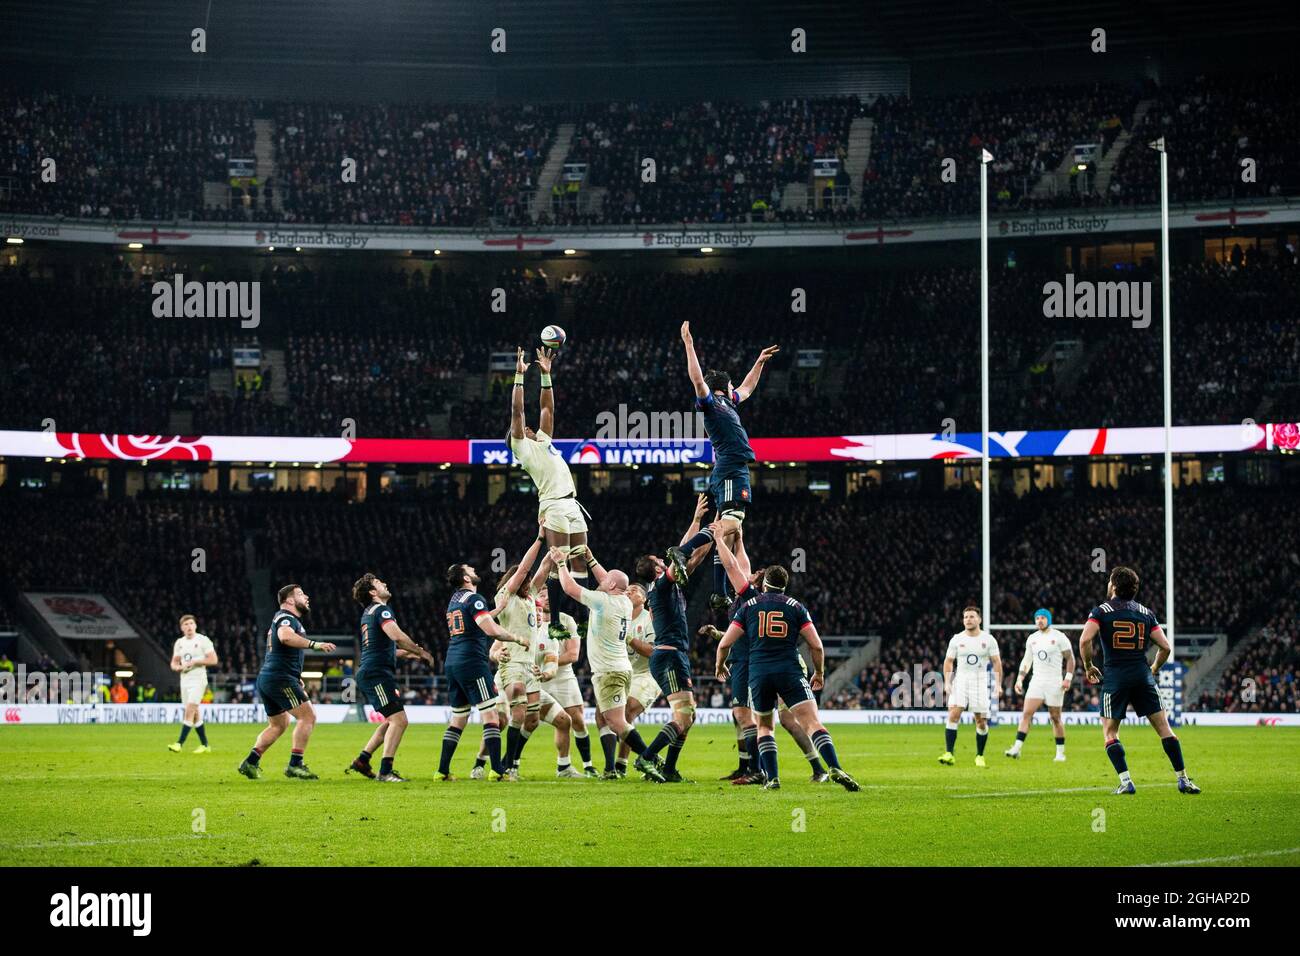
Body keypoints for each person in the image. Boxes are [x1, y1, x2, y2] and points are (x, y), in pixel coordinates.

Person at [715, 566, 858, 792]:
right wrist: (819, 673)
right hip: (789, 671)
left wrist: (720, 663)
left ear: (763, 585)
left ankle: (772, 778)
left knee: (764, 727)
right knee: (811, 722)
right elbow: (816, 645)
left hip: (759, 674)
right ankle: (834, 766)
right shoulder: (795, 607)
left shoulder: (748, 607)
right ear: (784, 586)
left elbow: (725, 643)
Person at [669, 322, 778, 607]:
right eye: (730, 386)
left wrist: (759, 363)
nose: (734, 389)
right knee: (730, 524)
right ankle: (683, 551)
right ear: (721, 388)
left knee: (729, 530)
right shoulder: (709, 403)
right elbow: (696, 379)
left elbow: (748, 388)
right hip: (730, 468)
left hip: (732, 469)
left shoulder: (728, 403)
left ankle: (719, 591)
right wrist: (688, 344)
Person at [1079, 566, 1200, 795]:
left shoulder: (1101, 611)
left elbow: (1085, 641)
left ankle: (1126, 782)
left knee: (1110, 733)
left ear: (1113, 585)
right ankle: (1183, 779)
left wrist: (1088, 666)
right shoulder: (1146, 613)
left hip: (1115, 677)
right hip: (1142, 676)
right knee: (1165, 728)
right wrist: (1153, 667)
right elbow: (1165, 647)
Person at [550, 546, 665, 782]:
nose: (599, 582)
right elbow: (610, 580)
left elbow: (569, 588)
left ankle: (649, 757)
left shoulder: (602, 601)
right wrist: (591, 559)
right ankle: (616, 766)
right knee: (608, 719)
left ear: (611, 587)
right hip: (623, 669)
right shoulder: (623, 601)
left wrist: (561, 563)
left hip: (608, 671)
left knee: (616, 721)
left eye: (605, 582)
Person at [508, 346, 593, 641]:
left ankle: (582, 618)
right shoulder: (521, 447)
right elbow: (518, 412)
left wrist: (546, 376)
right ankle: (555, 620)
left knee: (580, 559)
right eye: (525, 429)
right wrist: (519, 376)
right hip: (554, 505)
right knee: (559, 559)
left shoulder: (543, 440)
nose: (530, 427)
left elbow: (547, 409)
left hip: (572, 504)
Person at [437, 563, 531, 781]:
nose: (474, 570)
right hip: (472, 662)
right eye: (470, 569)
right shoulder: (474, 599)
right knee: (490, 715)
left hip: (452, 661)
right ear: (466, 579)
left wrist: (496, 611)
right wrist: (517, 638)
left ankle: (442, 771)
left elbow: (477, 621)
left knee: (458, 718)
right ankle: (498, 770)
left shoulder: (454, 600)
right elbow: (490, 629)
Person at [239, 585, 337, 780]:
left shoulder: (283, 618)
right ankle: (295, 765)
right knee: (308, 717)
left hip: (270, 677)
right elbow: (284, 637)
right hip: (279, 678)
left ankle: (250, 762)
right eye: (301, 594)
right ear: (289, 600)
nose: (307, 596)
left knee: (279, 724)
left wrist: (295, 675)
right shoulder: (286, 618)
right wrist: (314, 645)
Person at [345, 573, 435, 783]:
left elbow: (384, 648)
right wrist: (421, 653)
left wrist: (408, 652)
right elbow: (397, 636)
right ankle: (385, 771)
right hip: (376, 673)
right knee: (399, 720)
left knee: (390, 721)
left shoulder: (369, 612)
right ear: (373, 592)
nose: (385, 583)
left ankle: (362, 760)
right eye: (379, 583)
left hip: (374, 671)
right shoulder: (382, 610)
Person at [1005, 608, 1073, 761]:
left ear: (1048, 619)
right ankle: (1017, 748)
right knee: (1026, 714)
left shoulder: (1059, 637)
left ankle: (1060, 753)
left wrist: (1067, 678)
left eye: (1043, 618)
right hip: (1037, 681)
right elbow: (1027, 660)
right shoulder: (1032, 639)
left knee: (1055, 718)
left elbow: (1070, 659)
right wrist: (1019, 679)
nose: (1040, 621)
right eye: (1037, 618)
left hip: (1055, 682)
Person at [938, 607, 1002, 767]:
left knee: (980, 721)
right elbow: (948, 661)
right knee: (953, 714)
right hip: (961, 680)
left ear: (979, 619)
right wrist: (947, 681)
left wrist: (998, 684)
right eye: (965, 616)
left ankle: (980, 755)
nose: (968, 619)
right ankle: (949, 753)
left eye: (972, 616)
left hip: (980, 682)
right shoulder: (957, 639)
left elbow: (996, 662)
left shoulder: (988, 640)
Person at [168, 614, 218, 754]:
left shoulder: (203, 640)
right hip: (184, 680)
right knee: (195, 713)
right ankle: (205, 745)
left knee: (190, 709)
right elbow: (174, 661)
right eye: (186, 624)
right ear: (181, 628)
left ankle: (179, 743)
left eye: (191, 623)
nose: (189, 626)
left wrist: (195, 662)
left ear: (195, 625)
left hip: (198, 679)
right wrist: (176, 667)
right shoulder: (180, 643)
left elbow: (213, 660)